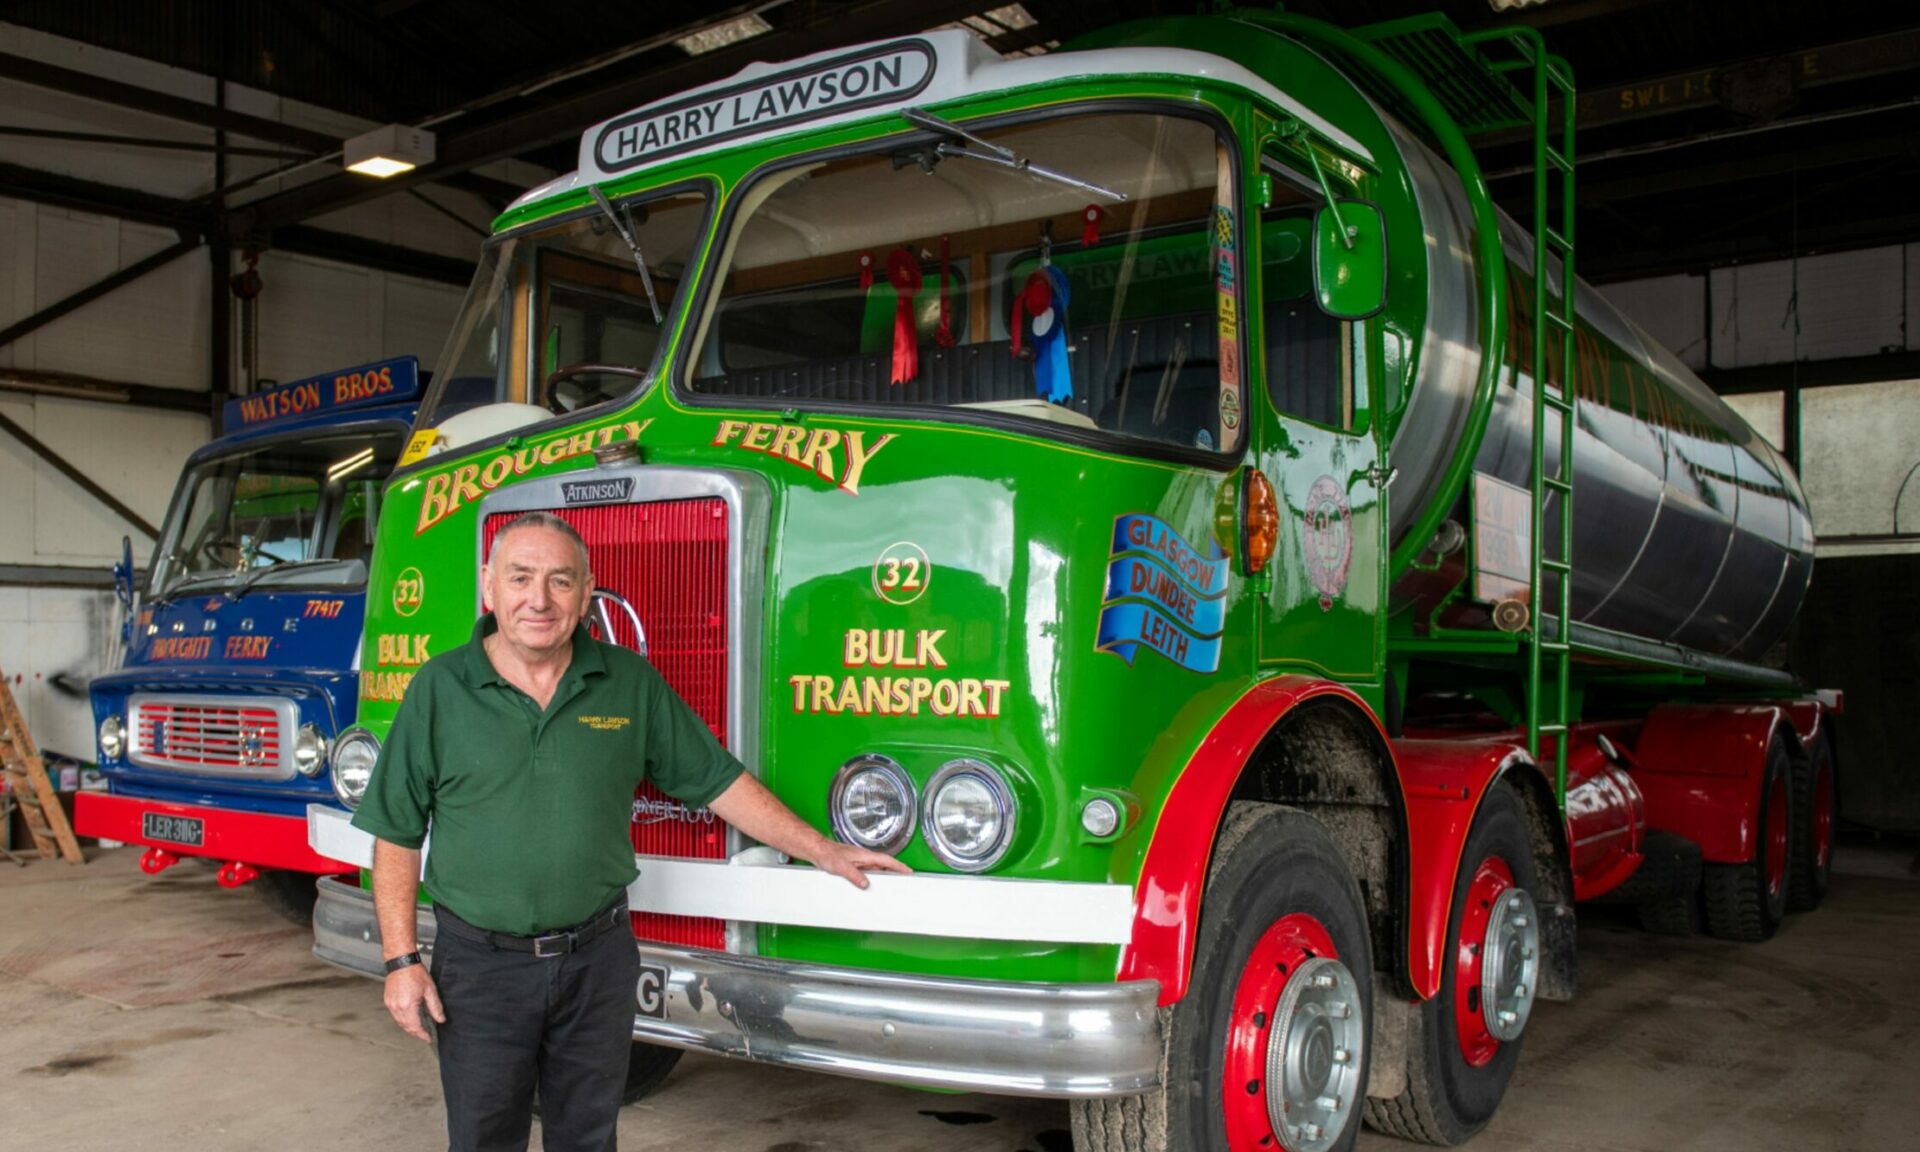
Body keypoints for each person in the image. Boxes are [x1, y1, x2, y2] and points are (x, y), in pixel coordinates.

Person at [352, 511, 909, 1151]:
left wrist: (822, 849)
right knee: (482, 1139)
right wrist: (401, 962)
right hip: (480, 968)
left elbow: (717, 781)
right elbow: (395, 832)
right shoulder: (439, 689)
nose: (539, 599)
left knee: (589, 1138)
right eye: (521, 577)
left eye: (561, 581)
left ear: (587, 593)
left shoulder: (629, 684)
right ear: (488, 586)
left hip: (598, 961)